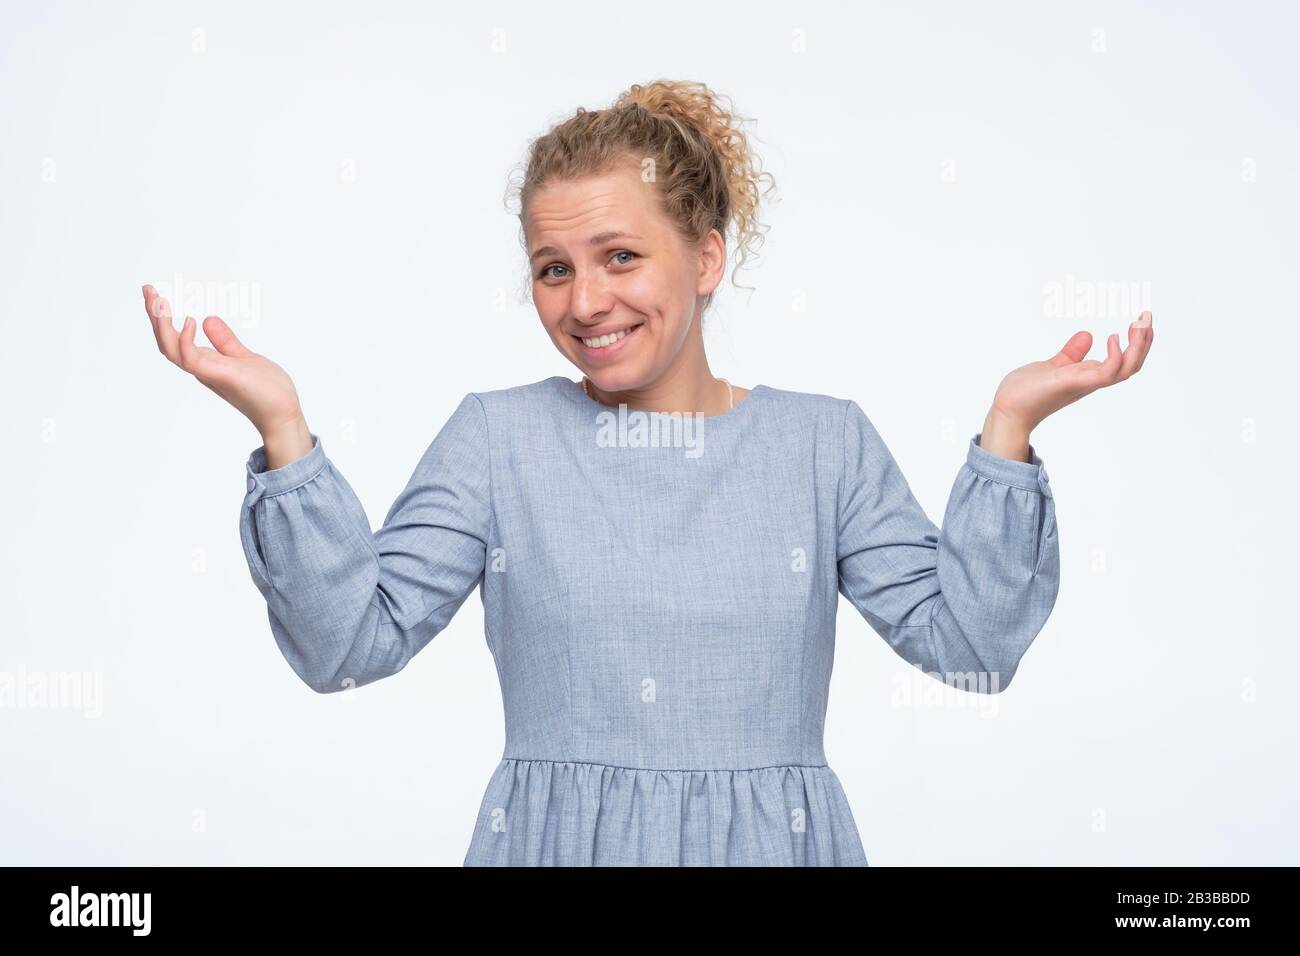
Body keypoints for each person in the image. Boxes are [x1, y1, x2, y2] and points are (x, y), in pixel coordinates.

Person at [142, 79, 1154, 866]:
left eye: (619, 256)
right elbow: (344, 646)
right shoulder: (498, 441)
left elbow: (971, 644)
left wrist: (1008, 425)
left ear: (705, 259)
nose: (585, 301)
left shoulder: (823, 444)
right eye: (553, 266)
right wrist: (281, 424)